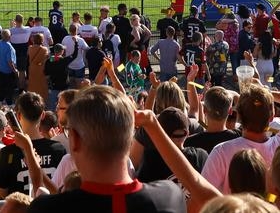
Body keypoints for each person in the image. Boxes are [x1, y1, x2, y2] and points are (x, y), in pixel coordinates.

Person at [29, 85, 185, 213]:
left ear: (75, 140)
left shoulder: (46, 208)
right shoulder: (168, 198)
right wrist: (152, 124)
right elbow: (206, 194)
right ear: (129, 138)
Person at [200, 83, 280, 193]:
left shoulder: (221, 152)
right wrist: (268, 93)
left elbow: (202, 197)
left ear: (239, 116)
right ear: (272, 116)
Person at [0, 28, 19, 105]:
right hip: (8, 71)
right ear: (9, 37)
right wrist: (14, 70)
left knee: (2, 86)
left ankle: (0, 100)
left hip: (0, 68)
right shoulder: (9, 47)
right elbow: (10, 61)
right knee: (9, 88)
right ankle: (9, 103)